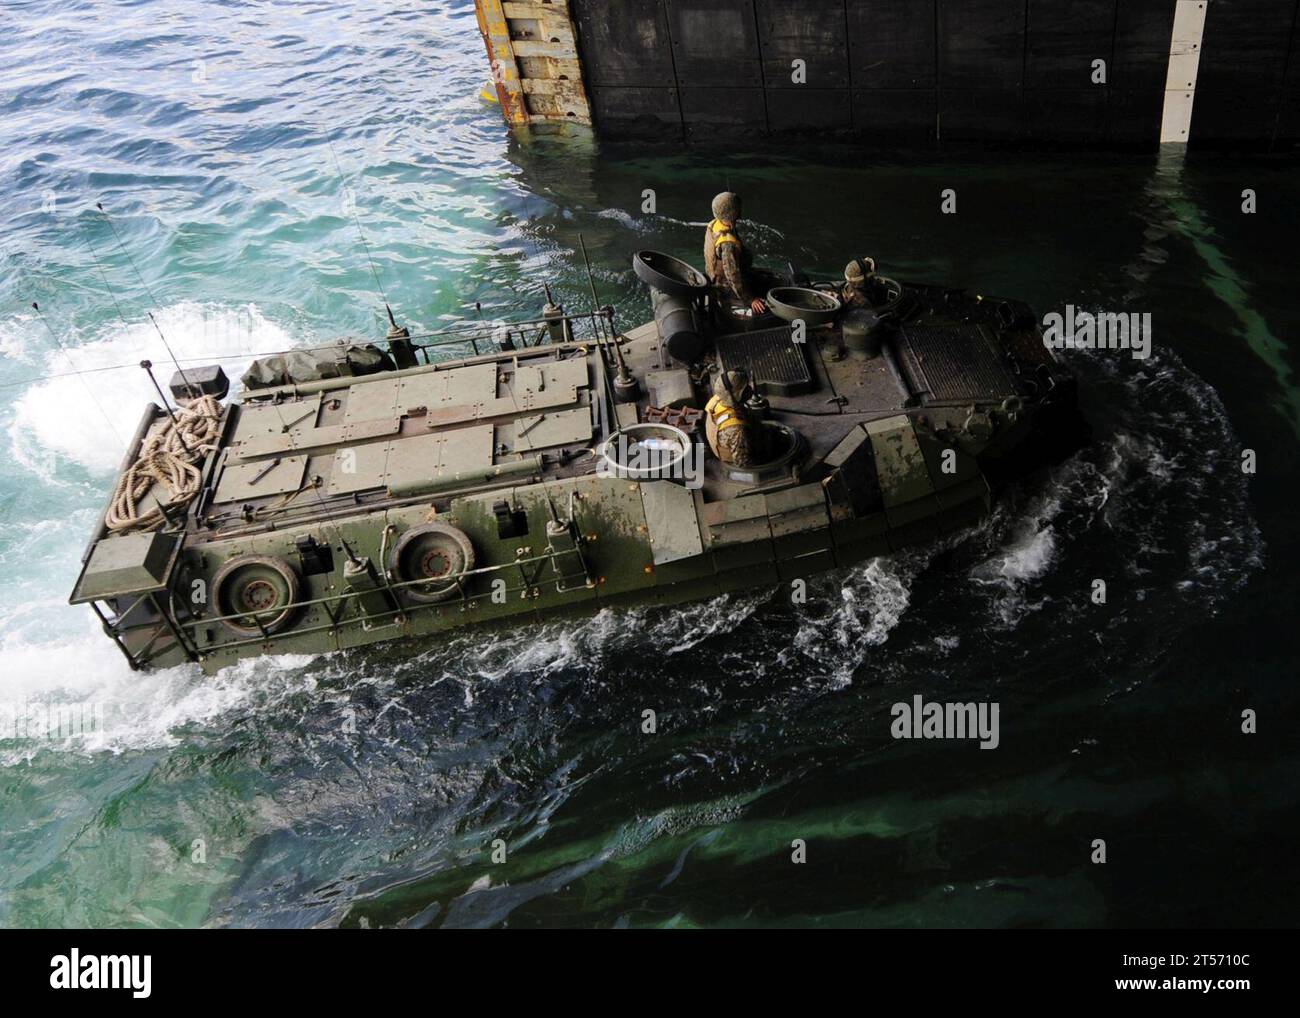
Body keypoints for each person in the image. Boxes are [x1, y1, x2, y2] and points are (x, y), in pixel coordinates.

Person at [704, 192, 768, 315]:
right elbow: (732, 275)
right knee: (762, 308)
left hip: (715, 277)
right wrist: (750, 299)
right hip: (725, 287)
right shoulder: (727, 244)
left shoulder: (714, 224)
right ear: (734, 213)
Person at [705, 368, 760, 467]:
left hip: (729, 440)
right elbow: (744, 463)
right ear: (732, 398)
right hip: (736, 454)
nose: (750, 389)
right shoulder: (738, 431)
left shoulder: (718, 399)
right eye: (744, 390)